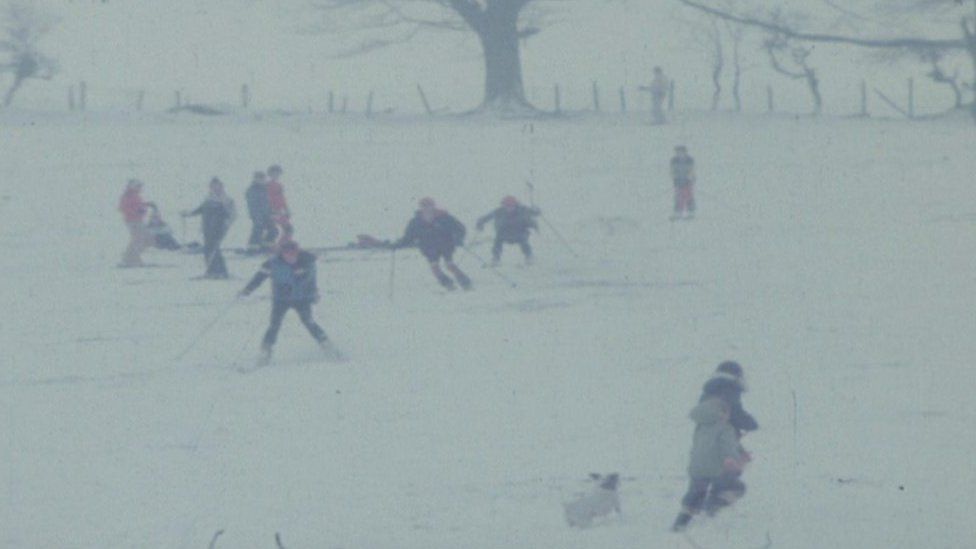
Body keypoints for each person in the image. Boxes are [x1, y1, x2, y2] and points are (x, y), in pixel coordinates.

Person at [238, 240, 341, 364]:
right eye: (286, 254)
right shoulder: (272, 264)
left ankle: (328, 347)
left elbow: (308, 280)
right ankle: (265, 352)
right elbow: (259, 277)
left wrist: (310, 293)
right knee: (274, 325)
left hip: (302, 299)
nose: (290, 257)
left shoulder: (306, 262)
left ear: (297, 252)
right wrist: (247, 290)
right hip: (280, 299)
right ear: (281, 253)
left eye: (293, 254)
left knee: (309, 322)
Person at [671, 398, 748, 532]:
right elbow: (727, 446)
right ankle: (710, 509)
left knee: (695, 494)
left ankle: (680, 523)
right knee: (736, 488)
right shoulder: (725, 427)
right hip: (716, 468)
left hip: (696, 468)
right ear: (722, 412)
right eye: (728, 413)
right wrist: (734, 459)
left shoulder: (700, 426)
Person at [391, 197, 471, 290]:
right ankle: (448, 285)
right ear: (421, 207)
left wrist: (458, 238)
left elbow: (460, 228)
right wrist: (397, 245)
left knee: (450, 265)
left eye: (429, 205)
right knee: (435, 268)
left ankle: (465, 282)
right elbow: (408, 237)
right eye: (424, 206)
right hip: (429, 248)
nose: (427, 208)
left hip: (446, 245)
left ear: (433, 206)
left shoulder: (444, 217)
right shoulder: (415, 222)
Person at [182, 177, 236, 279]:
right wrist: (188, 214)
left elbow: (232, 214)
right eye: (213, 186)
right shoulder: (208, 199)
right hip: (207, 228)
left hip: (218, 228)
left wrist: (227, 224)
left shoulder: (226, 200)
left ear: (221, 187)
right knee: (208, 249)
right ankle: (215, 271)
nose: (215, 188)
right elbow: (200, 210)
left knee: (214, 248)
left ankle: (218, 271)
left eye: (217, 186)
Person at [475, 195, 540, 266]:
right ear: (503, 205)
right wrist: (480, 223)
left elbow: (535, 213)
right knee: (497, 240)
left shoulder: (522, 210)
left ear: (516, 205)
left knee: (523, 240)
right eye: (507, 206)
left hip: (520, 232)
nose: (509, 208)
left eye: (511, 206)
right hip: (504, 234)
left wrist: (536, 210)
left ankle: (529, 256)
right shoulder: (498, 211)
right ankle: (496, 258)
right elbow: (486, 217)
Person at [699, 360, 758, 437]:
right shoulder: (728, 388)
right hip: (723, 438)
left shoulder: (709, 391)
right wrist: (750, 423)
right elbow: (734, 412)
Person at [118, 178, 155, 267]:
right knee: (139, 239)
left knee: (146, 239)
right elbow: (123, 208)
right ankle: (129, 259)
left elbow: (137, 206)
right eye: (138, 186)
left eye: (140, 186)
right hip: (133, 221)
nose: (140, 188)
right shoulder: (128, 196)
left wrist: (145, 205)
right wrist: (137, 211)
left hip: (138, 220)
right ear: (133, 187)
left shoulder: (135, 195)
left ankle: (132, 258)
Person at [245, 171, 276, 253]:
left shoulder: (264, 189)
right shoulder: (252, 190)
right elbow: (252, 205)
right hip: (257, 214)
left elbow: (267, 203)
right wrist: (257, 215)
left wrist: (271, 212)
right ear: (255, 179)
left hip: (266, 214)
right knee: (258, 228)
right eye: (259, 178)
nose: (262, 180)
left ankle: (266, 246)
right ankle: (252, 247)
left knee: (274, 230)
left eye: (263, 178)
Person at [266, 164, 293, 244]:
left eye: (278, 173)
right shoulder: (267, 185)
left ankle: (282, 245)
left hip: (280, 211)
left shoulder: (279, 185)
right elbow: (267, 199)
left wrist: (287, 209)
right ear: (270, 174)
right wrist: (271, 210)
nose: (276, 175)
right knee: (274, 230)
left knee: (288, 229)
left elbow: (282, 199)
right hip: (273, 211)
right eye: (274, 173)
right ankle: (269, 245)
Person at [670, 145, 696, 221]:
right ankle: (678, 212)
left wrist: (691, 177)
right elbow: (672, 170)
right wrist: (674, 177)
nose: (680, 153)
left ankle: (691, 212)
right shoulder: (674, 160)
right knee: (678, 197)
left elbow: (693, 170)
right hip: (678, 182)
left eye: (681, 152)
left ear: (685, 152)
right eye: (678, 152)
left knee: (688, 196)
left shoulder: (689, 160)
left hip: (688, 182)